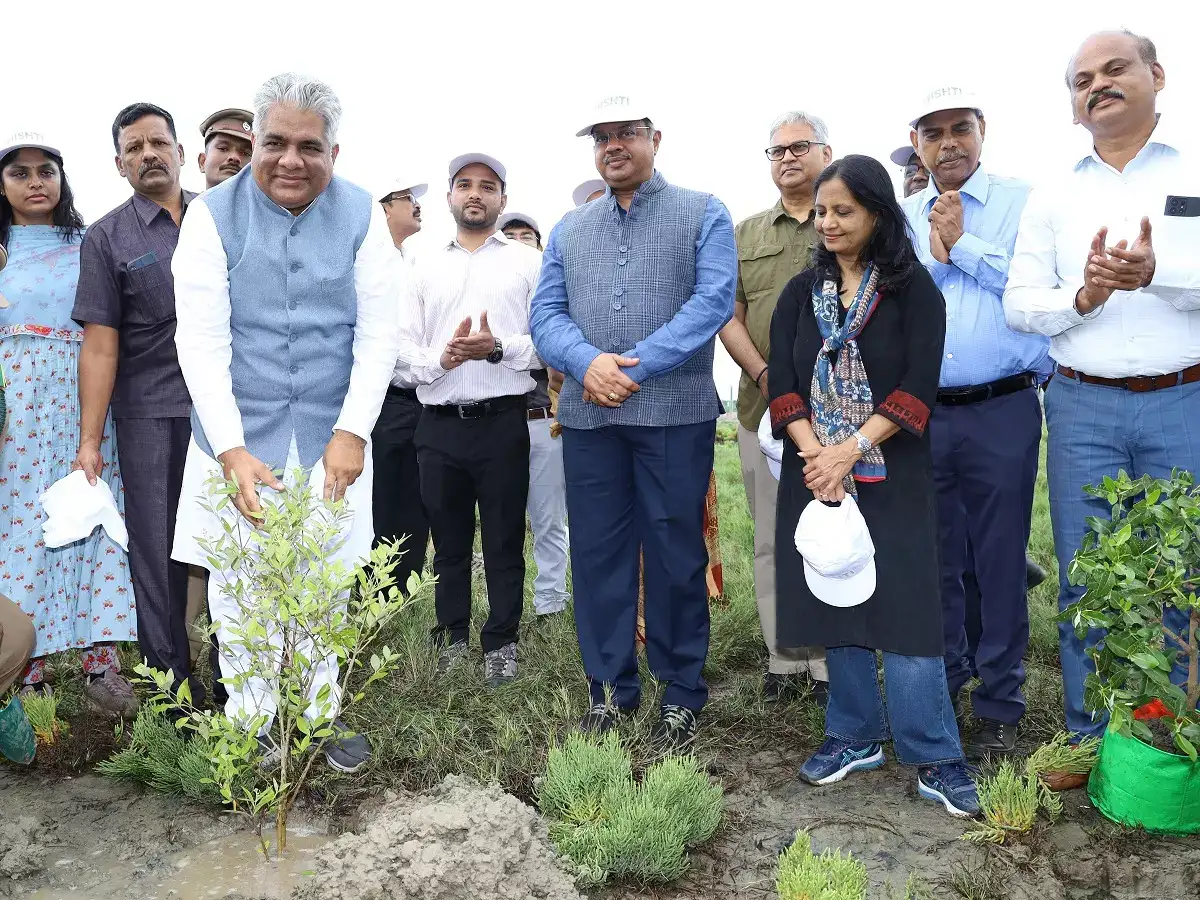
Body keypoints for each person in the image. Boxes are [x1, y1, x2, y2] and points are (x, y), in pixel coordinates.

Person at [171, 73, 400, 772]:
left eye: (309, 146)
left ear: (335, 150)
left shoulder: (364, 217)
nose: (290, 160)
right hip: (237, 439)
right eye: (275, 143)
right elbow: (201, 342)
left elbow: (378, 336)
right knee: (240, 596)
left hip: (335, 437)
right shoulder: (211, 217)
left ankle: (321, 720)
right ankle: (252, 726)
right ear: (254, 141)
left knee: (329, 582)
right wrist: (232, 451)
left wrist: (353, 430)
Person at [1005, 30, 1199, 785]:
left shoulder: (1192, 171)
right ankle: (1092, 736)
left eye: (1114, 69)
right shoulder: (1053, 194)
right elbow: (1022, 305)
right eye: (1081, 79)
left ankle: (1169, 737)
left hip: (1182, 398)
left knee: (1180, 572)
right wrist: (1084, 295)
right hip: (1082, 408)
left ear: (1156, 74)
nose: (1098, 85)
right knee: (1089, 578)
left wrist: (1157, 273)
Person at [770, 154, 979, 817]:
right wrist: (820, 458)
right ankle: (855, 734)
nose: (828, 223)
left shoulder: (914, 291)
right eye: (823, 213)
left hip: (891, 469)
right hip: (818, 475)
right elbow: (781, 386)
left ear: (878, 215)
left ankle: (935, 753)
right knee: (839, 598)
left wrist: (849, 449)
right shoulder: (800, 294)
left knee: (909, 612)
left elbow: (917, 390)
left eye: (843, 212)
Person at [531, 95, 736, 749]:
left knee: (676, 554)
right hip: (591, 419)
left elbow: (712, 303)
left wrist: (635, 367)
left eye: (627, 133)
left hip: (673, 413)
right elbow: (545, 315)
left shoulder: (703, 212)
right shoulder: (569, 229)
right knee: (598, 556)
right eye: (602, 137)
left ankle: (680, 692)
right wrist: (588, 363)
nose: (613, 145)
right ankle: (610, 689)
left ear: (655, 138)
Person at [902, 87, 1052, 757]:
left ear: (982, 131)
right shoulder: (903, 216)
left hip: (1003, 406)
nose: (948, 143)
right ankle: (947, 687)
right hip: (924, 414)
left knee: (997, 561)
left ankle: (999, 704)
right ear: (918, 143)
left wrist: (961, 248)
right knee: (937, 561)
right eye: (933, 133)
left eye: (960, 128)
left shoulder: (1026, 204)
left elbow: (1030, 291)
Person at [0, 133, 137, 714]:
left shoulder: (92, 243)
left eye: (46, 171)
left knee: (94, 515)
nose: (36, 182)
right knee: (22, 526)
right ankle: (21, 665)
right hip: (16, 407)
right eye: (20, 173)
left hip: (85, 398)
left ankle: (99, 664)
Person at [397, 152, 543, 685]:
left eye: (487, 186)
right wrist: (445, 358)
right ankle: (451, 635)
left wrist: (497, 346)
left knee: (504, 538)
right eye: (464, 185)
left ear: (502, 198)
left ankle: (501, 642)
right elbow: (401, 351)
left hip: (505, 421)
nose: (475, 194)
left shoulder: (528, 263)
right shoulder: (420, 260)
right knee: (449, 540)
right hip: (438, 424)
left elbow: (547, 342)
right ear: (449, 196)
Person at [71, 103, 200, 702]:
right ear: (119, 165)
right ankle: (174, 688)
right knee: (158, 549)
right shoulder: (106, 237)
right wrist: (90, 439)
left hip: (232, 410)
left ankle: (244, 679)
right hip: (150, 411)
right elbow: (99, 347)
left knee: (240, 543)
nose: (148, 154)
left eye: (157, 142)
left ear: (178, 150)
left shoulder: (220, 219)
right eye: (134, 148)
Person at [719, 111, 833, 702]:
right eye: (775, 151)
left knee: (834, 532)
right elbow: (727, 317)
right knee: (771, 535)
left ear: (825, 151)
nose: (786, 158)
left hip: (837, 414)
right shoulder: (745, 234)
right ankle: (784, 659)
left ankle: (829, 664)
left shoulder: (845, 221)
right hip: (759, 408)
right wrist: (765, 374)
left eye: (798, 147)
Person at [498, 211, 572, 618]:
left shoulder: (557, 295)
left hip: (544, 419)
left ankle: (550, 603)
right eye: (509, 236)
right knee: (502, 523)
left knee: (548, 518)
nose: (519, 242)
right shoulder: (488, 294)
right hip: (497, 424)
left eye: (527, 236)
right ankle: (505, 607)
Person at [372, 177, 430, 592]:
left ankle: (402, 595)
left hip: (421, 400)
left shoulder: (415, 261)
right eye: (408, 198)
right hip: (382, 401)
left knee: (416, 503)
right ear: (384, 208)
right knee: (381, 502)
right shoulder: (368, 260)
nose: (416, 204)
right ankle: (369, 595)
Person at [196, 109, 252, 190]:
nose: (235, 157)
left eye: (246, 153)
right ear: (202, 162)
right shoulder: (191, 202)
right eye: (223, 148)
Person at [379, 178, 426, 260]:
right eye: (409, 198)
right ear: (384, 209)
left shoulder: (411, 261)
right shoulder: (366, 257)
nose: (418, 205)